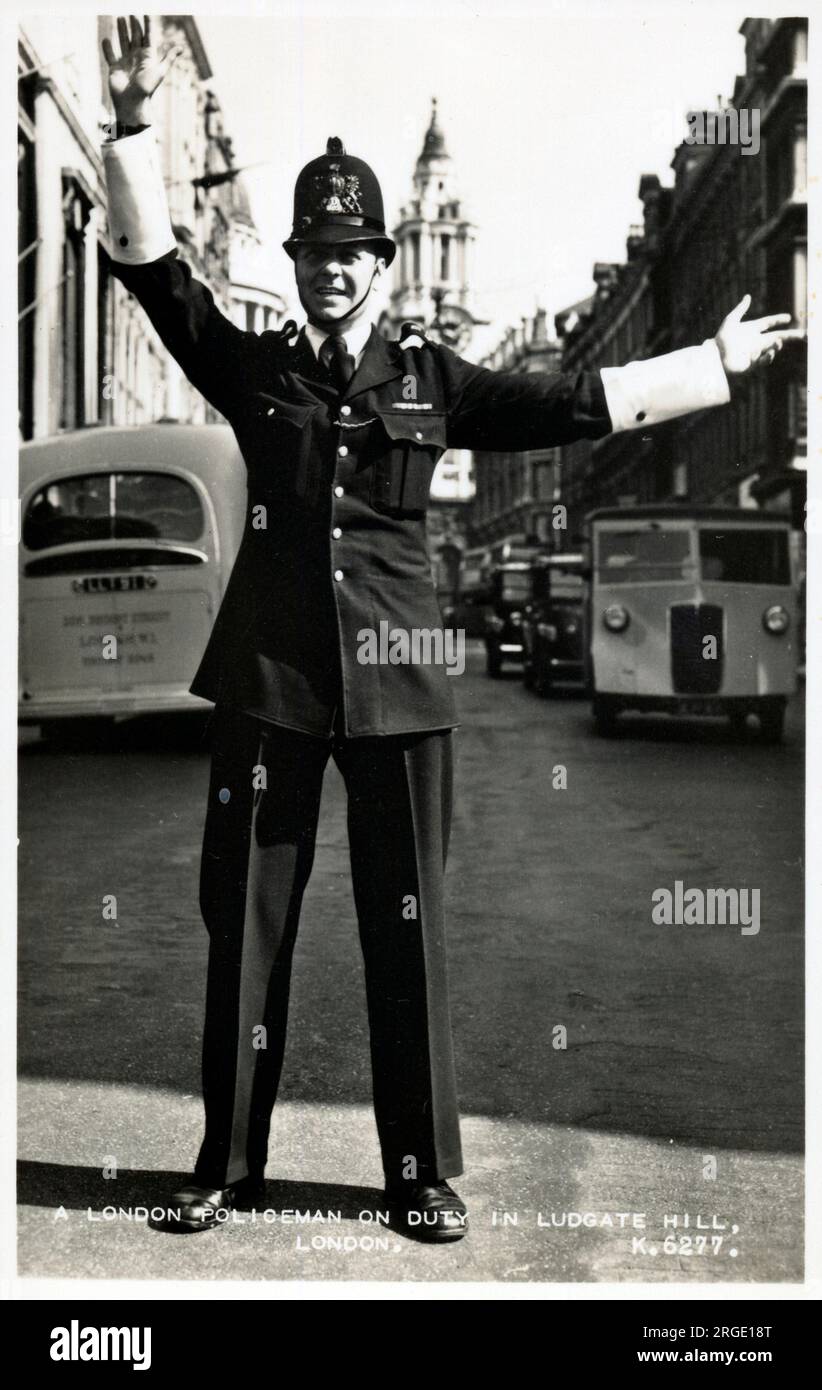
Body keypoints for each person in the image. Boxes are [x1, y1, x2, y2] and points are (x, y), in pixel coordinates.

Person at [101, 16, 801, 1244]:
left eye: (348, 250)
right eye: (313, 249)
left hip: (401, 686)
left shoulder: (431, 378)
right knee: (247, 921)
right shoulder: (255, 365)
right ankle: (227, 1158)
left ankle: (419, 1169)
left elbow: (573, 401)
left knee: (405, 921)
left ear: (382, 260)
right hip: (269, 680)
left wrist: (715, 366)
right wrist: (129, 136)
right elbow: (162, 284)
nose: (328, 268)